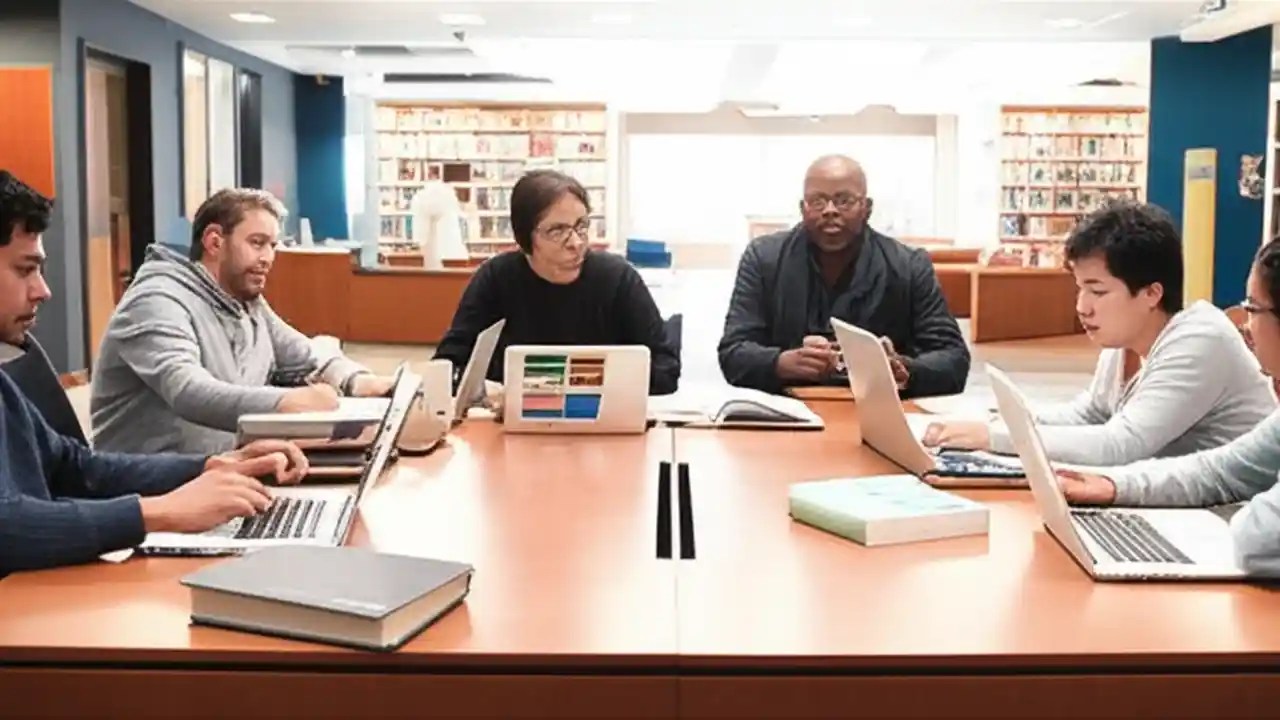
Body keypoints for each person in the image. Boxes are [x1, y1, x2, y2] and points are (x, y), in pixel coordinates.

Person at [0, 170, 310, 577]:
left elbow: (73, 466)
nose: (43, 290)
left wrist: (211, 466)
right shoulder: (158, 300)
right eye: (25, 270)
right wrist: (158, 512)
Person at [924, 200, 1275, 466]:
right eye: (1080, 288)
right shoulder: (1124, 341)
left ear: (1152, 293)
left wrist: (995, 437)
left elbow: (1120, 445)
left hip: (1235, 518)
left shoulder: (1200, 340)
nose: (1082, 307)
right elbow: (1090, 414)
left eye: (1098, 291)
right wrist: (1001, 418)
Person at [91, 188, 396, 455]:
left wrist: (358, 380)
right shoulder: (156, 301)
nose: (268, 257)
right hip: (151, 493)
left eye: (273, 246)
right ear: (214, 241)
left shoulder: (247, 303)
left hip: (222, 475)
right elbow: (187, 390)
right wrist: (287, 402)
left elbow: (308, 356)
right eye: (257, 242)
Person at [1058, 238, 1280, 577]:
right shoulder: (1123, 347)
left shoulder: (1200, 339)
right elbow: (1221, 470)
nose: (1246, 327)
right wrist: (1114, 486)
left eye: (1252, 307)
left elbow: (1259, 538)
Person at [718, 154, 969, 398]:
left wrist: (904, 369)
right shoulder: (764, 259)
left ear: (867, 208)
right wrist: (779, 363)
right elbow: (733, 351)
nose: (830, 210)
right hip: (787, 413)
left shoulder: (909, 266)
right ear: (802, 208)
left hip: (882, 415)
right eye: (817, 201)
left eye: (844, 200)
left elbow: (953, 359)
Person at [433, 170, 679, 395]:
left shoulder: (618, 278)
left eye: (581, 226)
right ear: (524, 238)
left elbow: (666, 369)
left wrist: (581, 385)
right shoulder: (495, 278)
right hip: (513, 429)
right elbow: (446, 367)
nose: (576, 243)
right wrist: (489, 392)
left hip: (602, 426)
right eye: (557, 231)